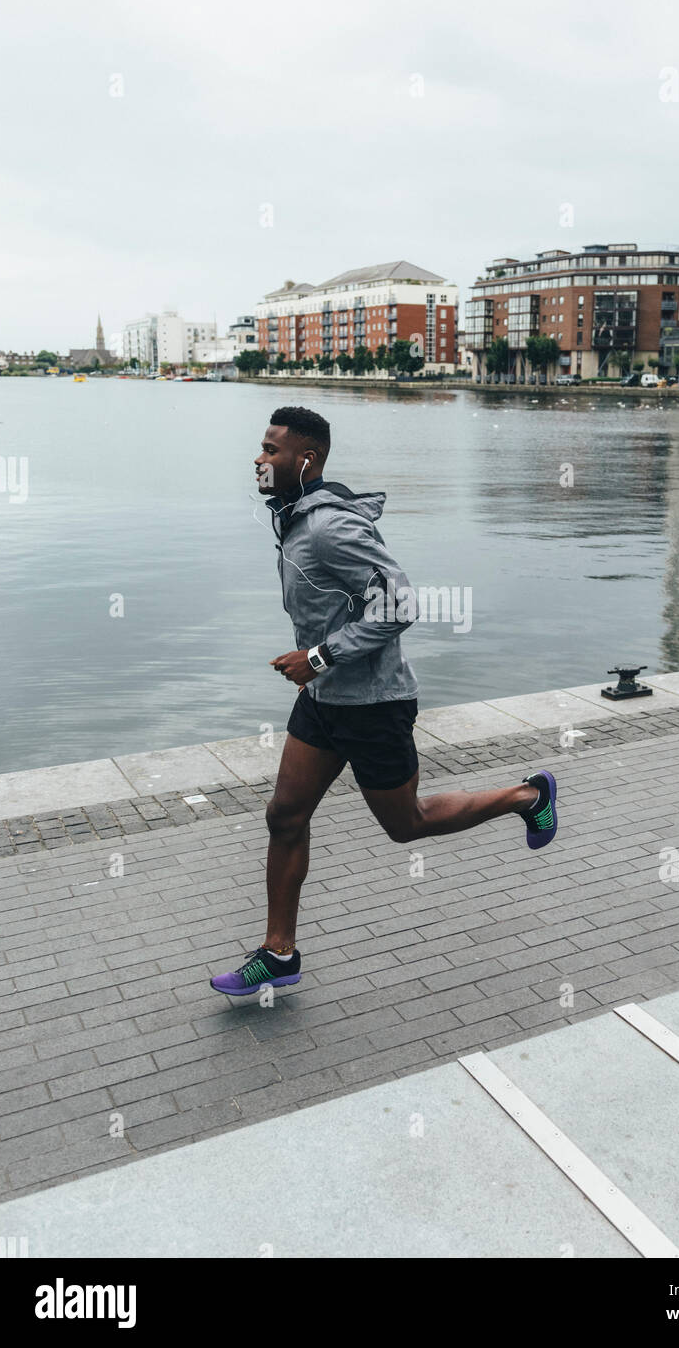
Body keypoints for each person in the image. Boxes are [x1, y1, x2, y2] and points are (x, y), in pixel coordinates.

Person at [211, 405, 557, 996]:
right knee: (285, 815)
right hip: (323, 700)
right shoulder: (297, 518)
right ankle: (280, 953)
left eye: (271, 450)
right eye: (261, 448)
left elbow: (399, 605)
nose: (259, 459)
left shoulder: (328, 527)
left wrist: (317, 657)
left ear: (306, 459)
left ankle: (527, 797)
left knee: (407, 824)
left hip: (372, 704)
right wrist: (317, 668)